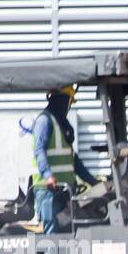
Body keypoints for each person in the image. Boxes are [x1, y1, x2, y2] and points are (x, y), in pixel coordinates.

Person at [31, 85, 98, 234]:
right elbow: (39, 149)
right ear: (60, 99)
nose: (68, 106)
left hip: (65, 190)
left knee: (67, 232)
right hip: (48, 190)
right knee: (52, 235)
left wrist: (92, 181)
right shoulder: (44, 121)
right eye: (68, 101)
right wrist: (48, 176)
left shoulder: (61, 124)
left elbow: (72, 159)